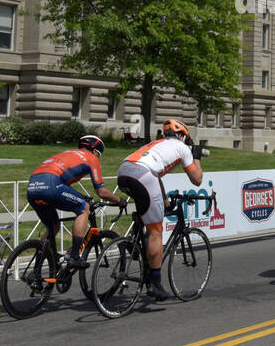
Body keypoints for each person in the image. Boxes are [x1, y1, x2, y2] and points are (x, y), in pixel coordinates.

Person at [116, 119, 204, 300]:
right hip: (143, 176)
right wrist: (196, 157)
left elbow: (155, 174)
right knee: (156, 231)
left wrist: (164, 200)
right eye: (186, 140)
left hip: (124, 172)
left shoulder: (155, 144)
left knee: (147, 216)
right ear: (181, 136)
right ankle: (155, 284)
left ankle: (135, 244)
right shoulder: (183, 148)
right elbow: (197, 180)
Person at [26, 134, 124, 268]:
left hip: (33, 187)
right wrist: (120, 200)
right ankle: (74, 256)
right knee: (84, 209)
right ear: (95, 151)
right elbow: (101, 192)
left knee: (53, 226)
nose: (97, 157)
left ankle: (38, 267)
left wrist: (81, 196)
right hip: (52, 185)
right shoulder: (91, 158)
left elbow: (62, 184)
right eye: (98, 155)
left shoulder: (67, 154)